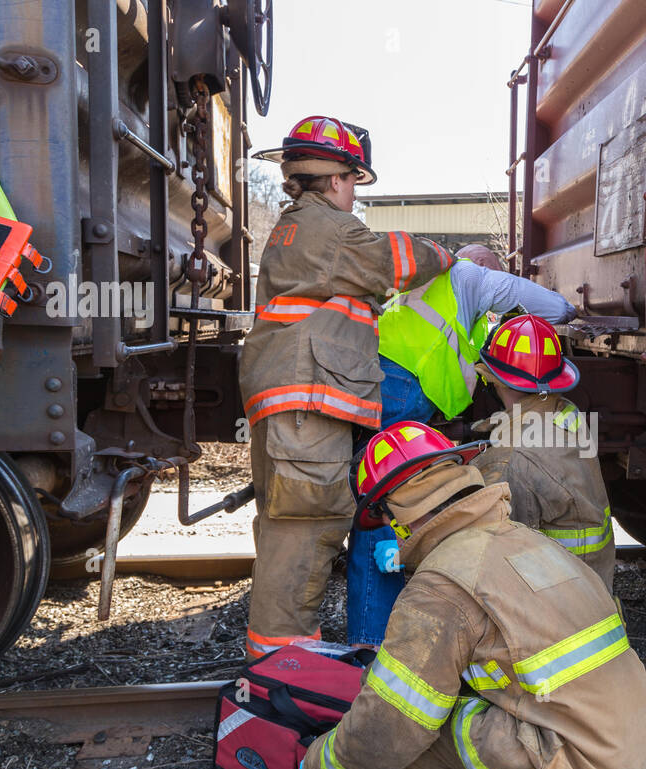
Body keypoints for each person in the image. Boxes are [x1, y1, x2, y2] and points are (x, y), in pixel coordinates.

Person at [300, 420, 646, 769]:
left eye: (382, 517)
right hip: (623, 749)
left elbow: (390, 728)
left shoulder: (442, 586)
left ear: (396, 514)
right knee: (486, 746)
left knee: (421, 739)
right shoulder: (524, 541)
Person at [239, 115, 454, 660]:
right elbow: (397, 261)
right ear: (335, 178)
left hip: (291, 401)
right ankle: (284, 670)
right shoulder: (331, 230)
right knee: (307, 527)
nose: (355, 193)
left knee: (288, 527)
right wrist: (450, 255)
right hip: (305, 402)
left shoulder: (296, 227)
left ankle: (279, 660)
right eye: (354, 181)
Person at [346, 245, 577, 645]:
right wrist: (573, 312)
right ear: (482, 263)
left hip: (387, 381)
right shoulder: (469, 274)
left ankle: (378, 629)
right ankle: (371, 642)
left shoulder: (430, 288)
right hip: (402, 389)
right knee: (387, 507)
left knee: (386, 502)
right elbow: (547, 305)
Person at [473, 314, 616, 591]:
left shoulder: (512, 459)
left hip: (557, 601)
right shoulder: (566, 412)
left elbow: (494, 549)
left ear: (495, 379)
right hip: (593, 586)